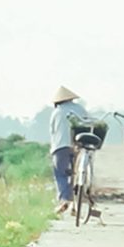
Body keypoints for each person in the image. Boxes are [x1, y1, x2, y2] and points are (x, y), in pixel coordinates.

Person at [46, 85, 83, 215]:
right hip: (79, 145)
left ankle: (64, 200)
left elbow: (53, 132)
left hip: (60, 146)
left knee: (60, 173)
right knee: (77, 173)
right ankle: (76, 202)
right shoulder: (80, 109)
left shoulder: (57, 112)